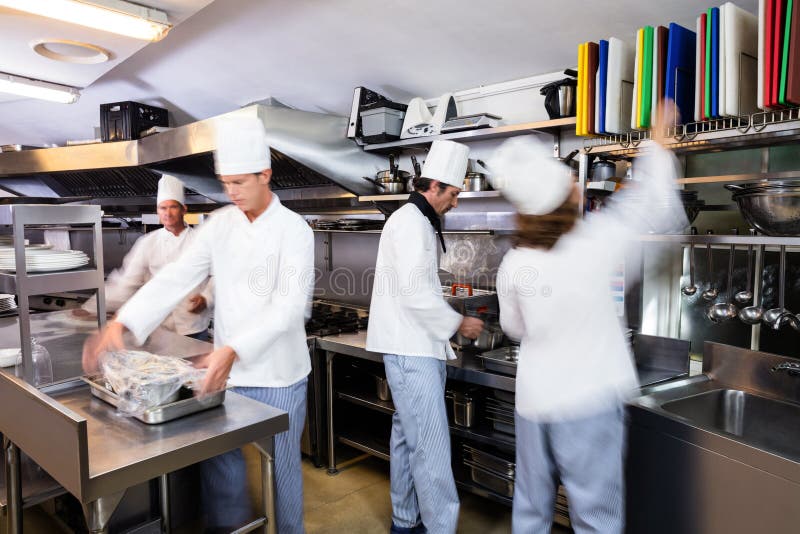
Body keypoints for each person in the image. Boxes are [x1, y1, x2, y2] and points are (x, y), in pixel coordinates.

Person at [83, 115, 314, 534]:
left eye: (239, 182)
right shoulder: (220, 224)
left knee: (282, 471)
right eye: (225, 182)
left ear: (265, 174)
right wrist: (125, 321)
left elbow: (289, 307)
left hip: (279, 375)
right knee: (221, 465)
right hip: (226, 374)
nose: (231, 191)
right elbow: (177, 276)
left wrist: (232, 350)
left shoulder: (294, 230)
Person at [491, 102, 686, 534]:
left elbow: (513, 328)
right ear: (569, 199)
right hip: (587, 402)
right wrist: (656, 142)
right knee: (596, 517)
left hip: (534, 399)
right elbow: (650, 207)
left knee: (530, 509)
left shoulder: (515, 262)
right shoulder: (596, 243)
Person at [367, 140, 484, 534]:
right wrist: (458, 323)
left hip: (409, 348)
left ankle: (405, 521)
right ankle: (439, 528)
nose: (455, 202)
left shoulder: (411, 220)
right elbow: (416, 293)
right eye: (453, 194)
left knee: (408, 438)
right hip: (411, 351)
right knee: (431, 447)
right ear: (434, 186)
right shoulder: (411, 223)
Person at [78, 174, 213, 340]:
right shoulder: (148, 242)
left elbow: (218, 275)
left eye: (173, 207)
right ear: (157, 211)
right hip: (159, 325)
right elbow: (126, 282)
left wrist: (206, 297)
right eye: (163, 208)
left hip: (193, 325)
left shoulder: (201, 240)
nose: (168, 213)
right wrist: (92, 307)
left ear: (184, 209)